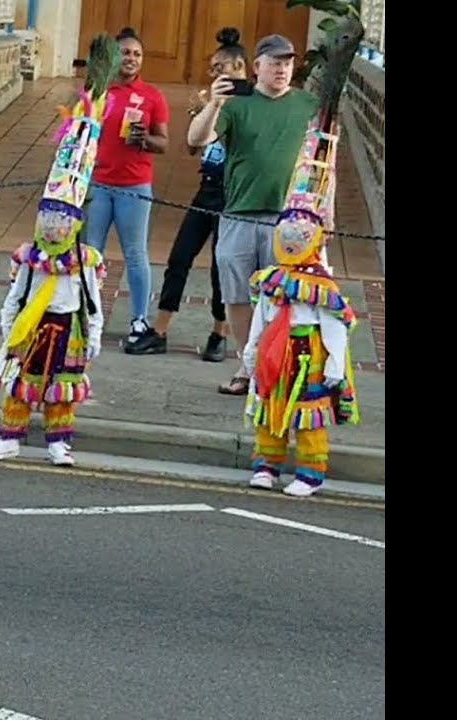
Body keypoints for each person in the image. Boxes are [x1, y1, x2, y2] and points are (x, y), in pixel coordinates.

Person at [0, 33, 115, 467]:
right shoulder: (31, 259)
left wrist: (92, 336)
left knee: (60, 390)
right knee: (21, 384)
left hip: (66, 327)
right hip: (30, 328)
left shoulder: (82, 262)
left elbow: (91, 302)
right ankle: (9, 438)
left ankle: (59, 442)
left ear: (75, 225)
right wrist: (7, 323)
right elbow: (17, 293)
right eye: (48, 220)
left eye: (62, 221)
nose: (54, 227)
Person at [239, 43, 360, 498]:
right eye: (285, 233)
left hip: (307, 354)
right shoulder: (272, 280)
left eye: (298, 234)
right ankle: (266, 464)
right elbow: (260, 315)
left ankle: (309, 472)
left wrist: (332, 362)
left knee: (308, 414)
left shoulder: (319, 286)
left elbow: (335, 326)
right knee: (269, 407)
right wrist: (251, 350)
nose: (289, 240)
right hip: (274, 349)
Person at [186, 33, 320, 395]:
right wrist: (213, 104)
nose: (282, 69)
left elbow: (323, 156)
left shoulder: (308, 103)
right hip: (239, 213)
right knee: (236, 294)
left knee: (282, 297)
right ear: (256, 66)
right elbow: (197, 139)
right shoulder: (235, 104)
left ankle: (275, 368)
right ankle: (247, 367)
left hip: (288, 220)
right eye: (274, 62)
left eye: (288, 62)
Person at [127, 28, 247, 359]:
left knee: (220, 268)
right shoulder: (211, 100)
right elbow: (191, 148)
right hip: (206, 188)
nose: (214, 74)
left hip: (234, 194)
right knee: (180, 257)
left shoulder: (252, 104)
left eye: (219, 67)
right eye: (212, 68)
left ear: (239, 66)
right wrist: (202, 112)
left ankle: (218, 335)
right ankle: (160, 330)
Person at [81, 27, 169, 354]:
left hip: (134, 186)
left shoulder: (152, 97)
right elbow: (79, 131)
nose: (131, 58)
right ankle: (86, 312)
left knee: (135, 253)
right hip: (99, 184)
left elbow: (163, 142)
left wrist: (144, 140)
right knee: (91, 251)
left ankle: (138, 320)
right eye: (125, 53)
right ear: (114, 57)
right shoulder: (98, 90)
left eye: (137, 54)